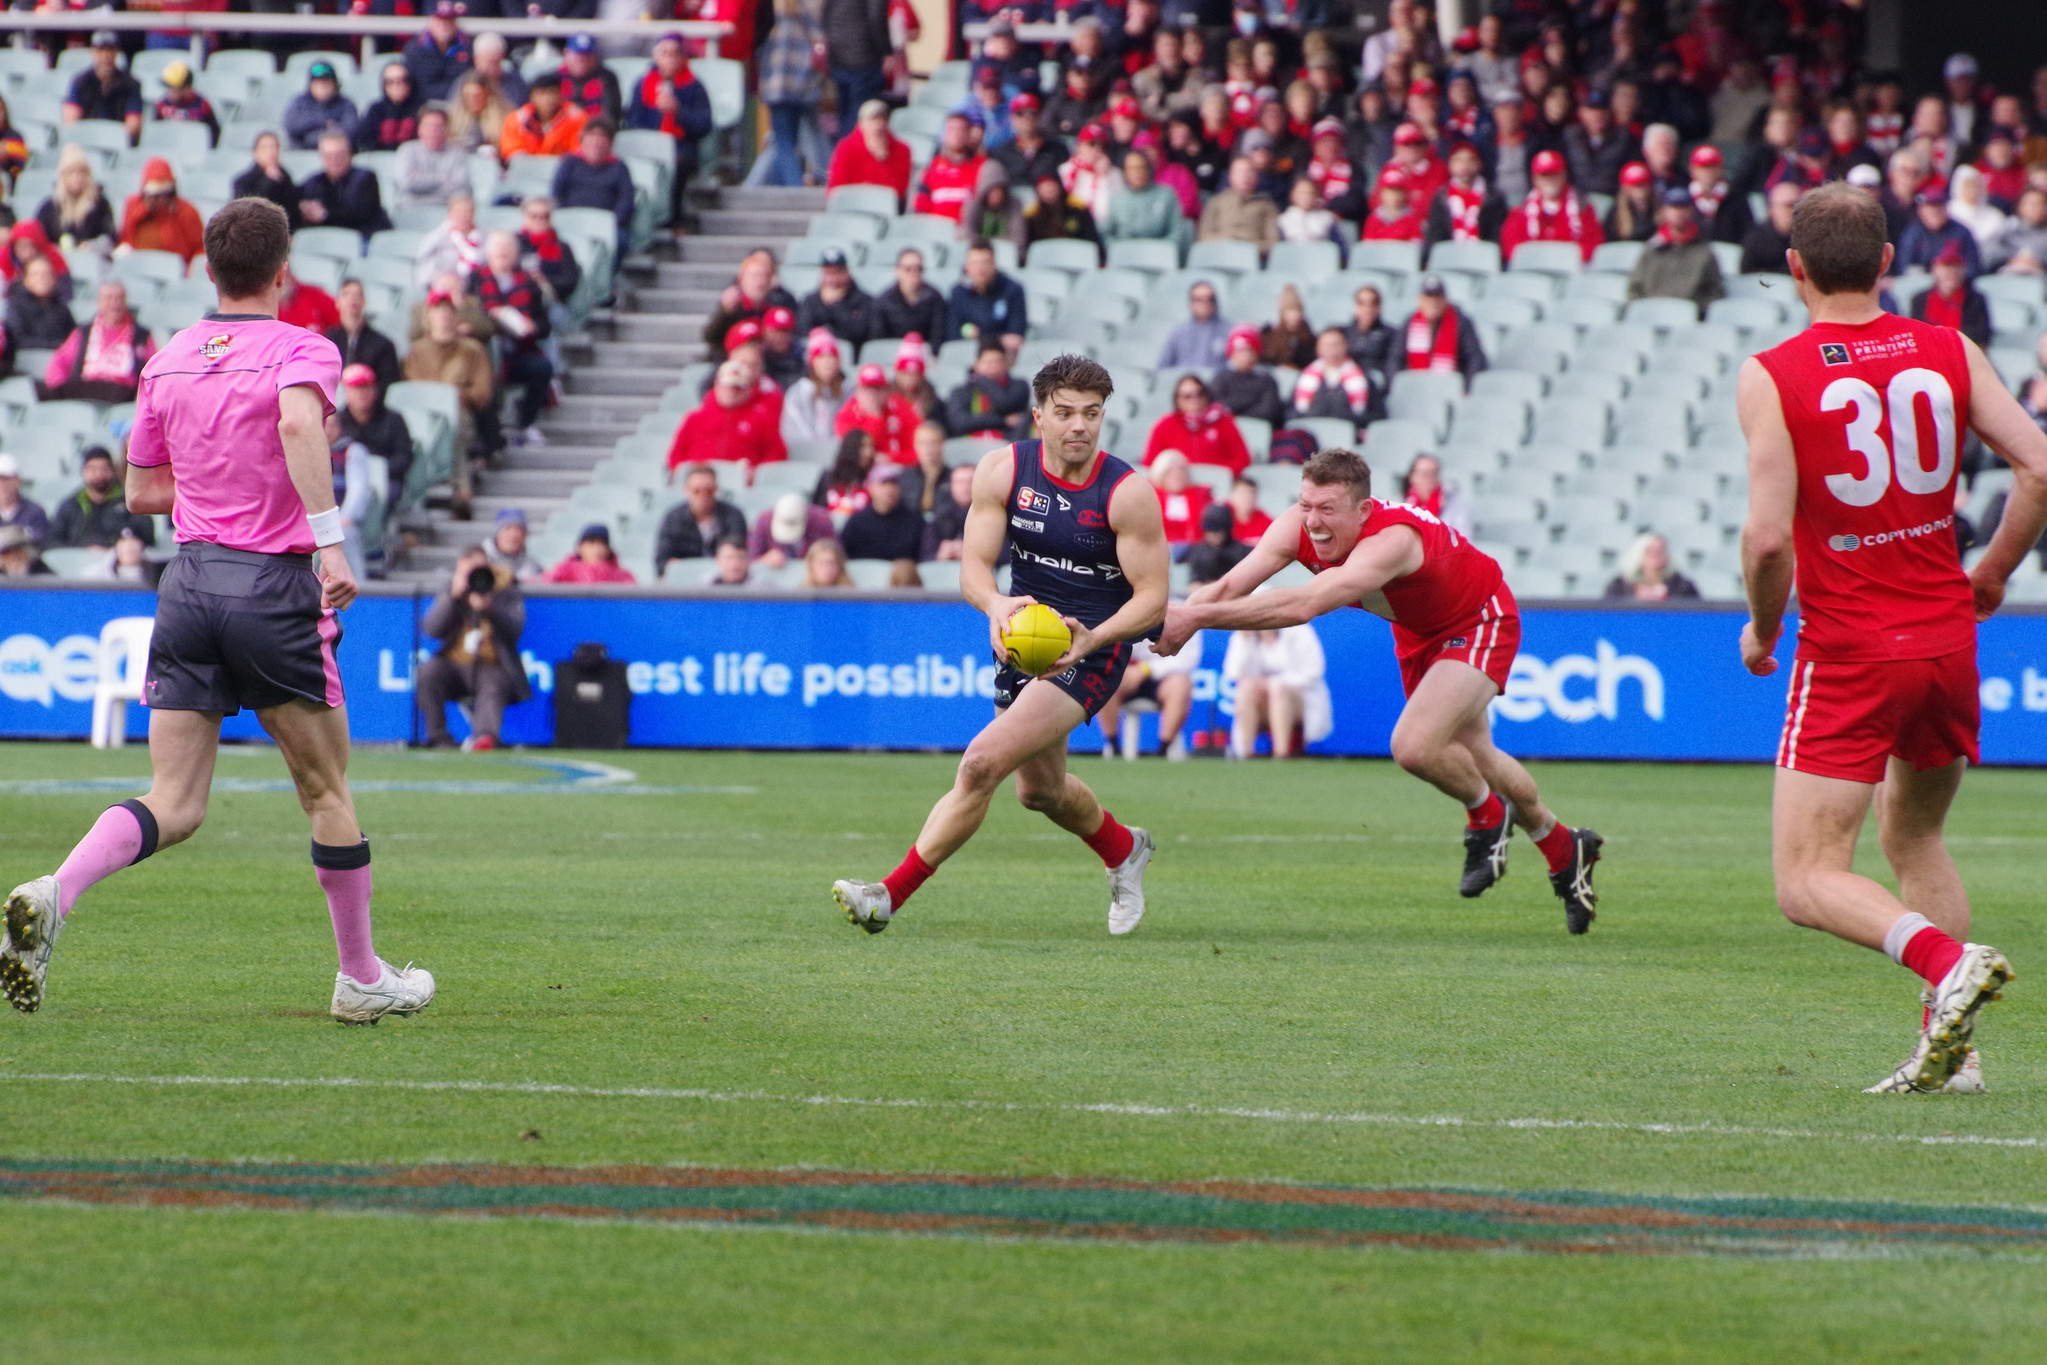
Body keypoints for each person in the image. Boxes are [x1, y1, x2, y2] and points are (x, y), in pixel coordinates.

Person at [1, 197, 434, 1021]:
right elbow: (301, 423)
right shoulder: (302, 347)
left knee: (176, 799)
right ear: (283, 271)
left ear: (206, 270)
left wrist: (218, 483)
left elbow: (137, 492)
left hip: (189, 582)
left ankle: (56, 889)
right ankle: (361, 976)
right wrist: (331, 541)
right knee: (326, 789)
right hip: (270, 585)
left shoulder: (166, 358)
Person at [1737, 182, 2047, 1093]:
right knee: (1912, 840)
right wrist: (1990, 571)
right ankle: (1956, 1058)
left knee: (1804, 880)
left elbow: (1763, 537)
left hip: (1851, 650)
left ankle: (1945, 964)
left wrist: (1760, 631)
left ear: (1792, 269)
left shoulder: (1774, 370)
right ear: (1885, 261)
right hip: (1946, 639)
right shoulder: (1947, 347)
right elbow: (2035, 465)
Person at [1159, 447, 1602, 929]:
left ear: (1363, 509)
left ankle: (1487, 816)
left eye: (1327, 509)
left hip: (1479, 619)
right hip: (1418, 632)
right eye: (1306, 505)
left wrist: (1195, 616)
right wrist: (1162, 620)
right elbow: (1223, 590)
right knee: (1477, 755)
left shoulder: (1391, 540)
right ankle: (1564, 848)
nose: (1312, 521)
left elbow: (1305, 605)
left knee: (1414, 746)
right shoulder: (1296, 524)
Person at [832, 355, 1168, 937]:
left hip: (1093, 644)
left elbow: (1154, 600)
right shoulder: (1002, 470)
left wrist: (1097, 636)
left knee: (981, 763)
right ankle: (1123, 847)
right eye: (1065, 413)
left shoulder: (1127, 493)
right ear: (1039, 415)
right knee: (1039, 792)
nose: (1079, 426)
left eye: (1092, 414)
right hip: (1022, 638)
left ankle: (888, 895)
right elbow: (973, 569)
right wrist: (995, 606)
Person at [417, 548, 528, 748]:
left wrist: (491, 609)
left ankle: (485, 738)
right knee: (428, 673)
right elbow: (431, 629)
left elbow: (515, 631)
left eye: (476, 570)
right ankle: (438, 737)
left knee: (493, 682)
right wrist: (453, 597)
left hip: (491, 662)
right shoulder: (453, 589)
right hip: (453, 661)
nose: (472, 577)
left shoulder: (505, 588)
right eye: (466, 572)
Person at [404, 289, 496, 516]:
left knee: (456, 425)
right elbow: (409, 390)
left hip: (460, 413)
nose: (443, 314)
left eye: (448, 309)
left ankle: (461, 492)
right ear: (428, 317)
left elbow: (483, 393)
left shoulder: (473, 350)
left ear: (457, 316)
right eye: (437, 309)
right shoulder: (416, 351)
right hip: (422, 415)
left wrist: (456, 395)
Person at [473, 231, 553, 448]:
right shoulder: (475, 280)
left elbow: (545, 325)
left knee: (542, 367)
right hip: (484, 355)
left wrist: (533, 327)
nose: (503, 251)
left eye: (508, 246)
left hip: (518, 352)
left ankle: (526, 423)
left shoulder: (528, 283)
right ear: (488, 253)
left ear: (517, 253)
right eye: (498, 246)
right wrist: (495, 317)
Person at [627, 33, 715, 217]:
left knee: (678, 163)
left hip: (681, 147)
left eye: (675, 53)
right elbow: (633, 121)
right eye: (665, 53)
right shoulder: (643, 84)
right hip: (648, 145)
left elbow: (704, 125)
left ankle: (674, 217)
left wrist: (678, 112)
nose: (670, 58)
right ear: (656, 57)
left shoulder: (694, 86)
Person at [1223, 625, 1331, 759]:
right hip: (1262, 703)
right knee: (1246, 688)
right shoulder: (1243, 635)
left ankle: (1281, 753)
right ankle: (1246, 753)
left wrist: (1272, 683)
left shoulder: (1299, 630)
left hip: (1299, 701)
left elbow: (1314, 671)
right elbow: (1234, 673)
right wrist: (1246, 642)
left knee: (1278, 689)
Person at [43, 281, 154, 404]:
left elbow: (154, 369)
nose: (114, 303)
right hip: (85, 389)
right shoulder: (83, 332)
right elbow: (60, 361)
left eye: (119, 298)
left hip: (122, 392)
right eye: (108, 298)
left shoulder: (142, 336)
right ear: (99, 302)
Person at [668, 361, 789, 472]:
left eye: (738, 387)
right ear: (717, 385)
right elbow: (676, 454)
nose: (732, 391)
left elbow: (777, 452)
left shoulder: (762, 419)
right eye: (728, 386)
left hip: (741, 483)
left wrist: (756, 472)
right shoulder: (694, 418)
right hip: (700, 482)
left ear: (748, 389)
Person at [1097, 634, 1199, 760]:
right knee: (1104, 678)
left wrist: (1145, 669)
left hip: (1165, 678)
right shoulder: (1125, 613)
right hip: (1127, 673)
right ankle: (1113, 747)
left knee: (1182, 685)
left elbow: (1187, 659)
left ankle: (1162, 751)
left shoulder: (1185, 615)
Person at [1627, 189, 1726, 316]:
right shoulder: (1651, 250)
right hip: (1650, 317)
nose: (1679, 213)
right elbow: (1635, 289)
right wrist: (1645, 310)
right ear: (1664, 211)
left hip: (1689, 320)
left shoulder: (1704, 252)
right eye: (1674, 207)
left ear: (1692, 211)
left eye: (1684, 207)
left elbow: (1715, 292)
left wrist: (1693, 309)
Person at [1499, 150, 1605, 263]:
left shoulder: (1582, 206)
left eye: (1554, 175)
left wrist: (1559, 258)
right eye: (1544, 176)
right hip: (1533, 269)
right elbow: (1511, 246)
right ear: (1535, 179)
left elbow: (1594, 244)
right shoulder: (1521, 208)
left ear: (1564, 175)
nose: (1550, 180)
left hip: (1571, 269)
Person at [551, 120, 636, 261]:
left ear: (610, 143)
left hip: (605, 224)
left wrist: (610, 222)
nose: (596, 141)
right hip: (571, 222)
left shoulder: (620, 167)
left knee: (620, 242)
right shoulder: (569, 162)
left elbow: (626, 202)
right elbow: (556, 193)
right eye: (592, 135)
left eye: (602, 136)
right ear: (582, 140)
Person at [655, 463, 748, 578]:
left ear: (716, 489)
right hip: (685, 584)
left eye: (709, 491)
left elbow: (738, 554)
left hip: (724, 582)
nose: (703, 495)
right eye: (696, 491)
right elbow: (662, 562)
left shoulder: (733, 516)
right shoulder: (673, 518)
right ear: (686, 490)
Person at [336, 363, 414, 496]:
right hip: (347, 478)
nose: (362, 394)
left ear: (375, 390)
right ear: (346, 392)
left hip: (386, 479)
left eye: (366, 387)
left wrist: (378, 470)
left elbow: (404, 456)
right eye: (356, 388)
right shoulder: (337, 421)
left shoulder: (393, 419)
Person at [1147, 374, 1250, 475]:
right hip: (1177, 486)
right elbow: (1151, 462)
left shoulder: (1224, 421)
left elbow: (1242, 459)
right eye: (1188, 396)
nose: (1194, 400)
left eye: (1199, 394)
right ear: (1178, 400)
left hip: (1216, 485)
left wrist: (1216, 473)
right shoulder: (1166, 425)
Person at [705, 248, 798, 356]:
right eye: (754, 276)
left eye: (764, 277)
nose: (760, 282)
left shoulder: (774, 307)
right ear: (742, 280)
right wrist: (725, 312)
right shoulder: (734, 305)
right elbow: (710, 337)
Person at [50, 447, 146, 551]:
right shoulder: (70, 506)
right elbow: (53, 541)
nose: (98, 474)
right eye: (92, 469)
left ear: (113, 471)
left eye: (104, 469)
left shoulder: (130, 504)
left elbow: (146, 536)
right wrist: (83, 550)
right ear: (83, 472)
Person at [299, 133, 392, 238]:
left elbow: (357, 213)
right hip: (330, 239)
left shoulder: (365, 178)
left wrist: (325, 215)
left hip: (364, 237)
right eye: (329, 156)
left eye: (340, 154)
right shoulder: (314, 181)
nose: (335, 160)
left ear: (350, 154)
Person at [826, 99, 914, 209]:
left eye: (883, 119)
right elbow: (835, 189)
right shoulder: (845, 148)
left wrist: (883, 160)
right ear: (861, 123)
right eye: (873, 120)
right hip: (852, 207)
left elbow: (899, 190)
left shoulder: (902, 150)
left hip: (887, 208)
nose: (878, 125)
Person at [947, 240, 1027, 356]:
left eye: (986, 262)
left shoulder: (1013, 290)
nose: (980, 268)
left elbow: (1015, 338)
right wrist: (998, 338)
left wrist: (979, 335)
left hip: (1003, 357)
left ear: (994, 264)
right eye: (975, 263)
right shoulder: (958, 293)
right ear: (967, 267)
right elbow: (953, 336)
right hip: (966, 355)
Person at [1401, 275, 1485, 384]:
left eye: (1437, 298)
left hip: (1452, 388)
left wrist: (1466, 388)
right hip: (1417, 388)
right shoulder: (1410, 322)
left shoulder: (1462, 323)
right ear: (1420, 300)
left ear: (1445, 299)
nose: (1433, 303)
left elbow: (1475, 358)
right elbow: (1396, 358)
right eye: (1429, 298)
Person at [117, 160, 205, 262]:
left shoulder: (187, 211)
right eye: (154, 195)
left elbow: (200, 250)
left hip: (176, 269)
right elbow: (126, 240)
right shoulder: (132, 205)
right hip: (138, 264)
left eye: (164, 193)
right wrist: (144, 210)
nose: (160, 199)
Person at [62, 32, 143, 143]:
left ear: (116, 52)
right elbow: (71, 122)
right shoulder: (80, 82)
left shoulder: (131, 84)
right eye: (100, 50)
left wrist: (106, 138)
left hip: (117, 144)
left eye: (110, 50)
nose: (105, 56)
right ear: (93, 52)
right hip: (86, 142)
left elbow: (133, 126)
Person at [325, 280, 400, 398]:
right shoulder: (328, 340)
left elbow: (387, 386)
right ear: (337, 302)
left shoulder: (382, 345)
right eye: (346, 294)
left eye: (357, 294)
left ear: (364, 302)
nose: (352, 299)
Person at [1911, 242, 1992, 348]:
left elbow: (1982, 337)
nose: (1952, 272)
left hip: (1965, 355)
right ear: (1935, 269)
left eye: (1956, 266)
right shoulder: (1920, 300)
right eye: (1946, 266)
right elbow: (1916, 337)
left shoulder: (1976, 300)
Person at [945, 340, 1031, 440]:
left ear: (1006, 364)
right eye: (988, 362)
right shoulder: (961, 392)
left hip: (1006, 445)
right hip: (970, 447)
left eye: (998, 362)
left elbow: (1003, 404)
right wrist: (1002, 421)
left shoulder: (1019, 386)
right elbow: (959, 423)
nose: (993, 367)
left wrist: (984, 382)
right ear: (977, 364)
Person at [836, 362, 919, 464]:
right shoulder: (847, 415)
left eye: (877, 389)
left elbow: (919, 452)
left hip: (900, 470)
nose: (872, 395)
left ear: (886, 391)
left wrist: (892, 459)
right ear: (858, 392)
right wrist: (874, 417)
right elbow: (851, 457)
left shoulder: (902, 409)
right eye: (867, 389)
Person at [38, 146, 117, 253]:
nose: (77, 177)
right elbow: (39, 239)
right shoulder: (49, 207)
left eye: (82, 172)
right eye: (71, 172)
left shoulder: (100, 204)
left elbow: (110, 239)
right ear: (63, 176)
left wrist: (92, 246)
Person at [1292, 328, 1374, 430]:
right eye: (1327, 345)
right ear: (1318, 349)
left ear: (1346, 346)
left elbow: (1376, 415)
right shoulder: (1304, 378)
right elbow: (1292, 413)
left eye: (1337, 344)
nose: (1333, 349)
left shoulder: (1364, 378)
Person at [839, 464, 924, 563]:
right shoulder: (856, 523)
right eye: (883, 483)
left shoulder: (914, 521)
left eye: (894, 483)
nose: (889, 489)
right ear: (870, 487)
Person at [1198, 156, 1280, 257]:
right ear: (1230, 176)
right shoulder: (1216, 202)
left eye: (1249, 172)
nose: (1245, 176)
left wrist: (1246, 245)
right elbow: (1204, 237)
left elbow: (1273, 243)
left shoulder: (1267, 205)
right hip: (1220, 254)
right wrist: (1227, 240)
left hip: (1253, 258)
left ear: (1256, 176)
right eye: (1240, 172)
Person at [394, 103, 470, 209]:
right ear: (419, 129)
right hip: (411, 208)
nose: (433, 130)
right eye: (428, 126)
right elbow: (407, 183)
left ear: (447, 130)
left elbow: (461, 187)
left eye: (439, 126)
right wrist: (443, 179)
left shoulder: (458, 154)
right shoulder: (407, 150)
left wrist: (421, 182)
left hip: (446, 209)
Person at [795, 248, 873, 349]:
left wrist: (836, 306)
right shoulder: (810, 301)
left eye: (837, 272)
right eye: (828, 273)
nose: (833, 279)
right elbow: (803, 332)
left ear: (847, 272)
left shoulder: (864, 300)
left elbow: (860, 334)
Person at [500, 74, 588, 162]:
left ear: (560, 94)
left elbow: (578, 150)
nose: (547, 99)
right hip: (527, 169)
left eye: (552, 92)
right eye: (541, 94)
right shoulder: (517, 119)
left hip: (563, 169)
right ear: (532, 97)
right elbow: (511, 148)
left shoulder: (577, 117)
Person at [1211, 325, 1287, 425]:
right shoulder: (1220, 379)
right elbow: (1215, 408)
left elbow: (1268, 411)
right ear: (1232, 353)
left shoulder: (1267, 380)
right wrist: (1251, 400)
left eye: (1250, 351)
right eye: (1241, 351)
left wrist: (1235, 412)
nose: (1246, 356)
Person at [1897, 189, 1981, 277]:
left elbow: (1973, 267)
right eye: (1930, 207)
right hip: (1922, 284)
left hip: (1955, 283)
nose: (1935, 211)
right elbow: (1904, 265)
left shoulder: (1961, 232)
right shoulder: (1913, 233)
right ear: (1920, 211)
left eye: (1939, 206)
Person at [4, 257, 76, 361]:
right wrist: (58, 346)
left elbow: (74, 340)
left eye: (47, 274)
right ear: (26, 280)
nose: (42, 278)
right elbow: (18, 340)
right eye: (36, 274)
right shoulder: (16, 307)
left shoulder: (63, 309)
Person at [783, 330, 849, 443]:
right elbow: (795, 430)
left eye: (832, 356)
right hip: (807, 454)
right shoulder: (798, 392)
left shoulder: (849, 390)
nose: (827, 362)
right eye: (821, 357)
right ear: (812, 362)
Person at [871, 248, 947, 345]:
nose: (914, 273)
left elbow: (937, 336)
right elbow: (879, 341)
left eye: (919, 269)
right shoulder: (884, 301)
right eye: (908, 269)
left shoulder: (934, 298)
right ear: (898, 270)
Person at [402, 2, 473, 102]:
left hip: (459, 106)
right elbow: (415, 88)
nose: (444, 25)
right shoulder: (415, 49)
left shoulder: (468, 48)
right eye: (439, 20)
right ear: (430, 21)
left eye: (449, 20)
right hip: (424, 107)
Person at [283, 60, 360, 151]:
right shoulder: (299, 102)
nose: (323, 87)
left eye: (327, 83)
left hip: (336, 155)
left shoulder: (347, 104)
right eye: (318, 83)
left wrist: (312, 135)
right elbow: (292, 126)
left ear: (335, 85)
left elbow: (350, 132)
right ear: (310, 85)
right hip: (304, 152)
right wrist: (323, 122)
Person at [1156, 280, 1230, 371]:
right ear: (1191, 303)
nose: (1205, 303)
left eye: (1210, 299)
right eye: (1199, 299)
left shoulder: (1229, 331)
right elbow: (1163, 367)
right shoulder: (1178, 333)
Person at [415, 192, 483, 289]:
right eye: (459, 212)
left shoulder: (483, 237)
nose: (464, 216)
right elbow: (424, 267)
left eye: (468, 212)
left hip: (475, 287)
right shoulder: (437, 237)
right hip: (443, 287)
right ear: (450, 214)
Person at [750, 492, 837, 567]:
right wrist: (765, 560)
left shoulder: (822, 521)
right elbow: (752, 559)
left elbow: (837, 555)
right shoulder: (763, 521)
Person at [1604, 532, 1698, 601]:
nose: (1655, 555)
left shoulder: (1683, 587)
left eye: (1660, 550)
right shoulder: (1619, 586)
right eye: (1650, 551)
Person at [552, 34, 622, 126]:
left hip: (593, 132)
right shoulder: (554, 78)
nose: (582, 59)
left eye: (587, 54)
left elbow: (610, 115)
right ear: (566, 53)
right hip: (561, 132)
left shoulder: (607, 78)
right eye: (577, 54)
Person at [358, 62, 422, 154]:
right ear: (384, 86)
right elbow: (366, 142)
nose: (396, 86)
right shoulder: (375, 110)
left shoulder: (422, 109)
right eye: (390, 82)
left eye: (402, 80)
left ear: (410, 83)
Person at [1740, 180, 1801, 275]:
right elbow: (1747, 273)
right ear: (1771, 209)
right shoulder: (1757, 238)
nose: (1793, 211)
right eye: (1788, 206)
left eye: (1797, 205)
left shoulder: (1808, 239)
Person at [1400, 453, 1470, 536]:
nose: (1430, 478)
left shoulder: (1454, 503)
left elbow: (1463, 537)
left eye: (1434, 473)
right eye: (1424, 474)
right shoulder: (1401, 503)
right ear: (1412, 476)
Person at [544, 523, 637, 584]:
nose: (597, 549)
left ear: (608, 549)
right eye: (591, 543)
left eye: (602, 544)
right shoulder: (562, 572)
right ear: (580, 547)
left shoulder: (622, 576)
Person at [447, 70, 513, 156]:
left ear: (489, 95)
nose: (472, 100)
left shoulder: (507, 119)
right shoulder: (451, 120)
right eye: (467, 96)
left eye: (477, 95)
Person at [1183, 500, 1248, 584]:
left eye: (1217, 530)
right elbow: (1194, 583)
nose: (1212, 534)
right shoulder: (1198, 551)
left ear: (1227, 530)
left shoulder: (1242, 552)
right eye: (1209, 530)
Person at [151, 62, 219, 142]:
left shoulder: (202, 105)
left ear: (187, 88)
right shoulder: (161, 105)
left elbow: (214, 135)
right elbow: (155, 134)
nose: (169, 92)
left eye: (173, 89)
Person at [0, 454, 50, 547]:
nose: (2, 485)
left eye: (7, 479)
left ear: (17, 481)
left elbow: (40, 541)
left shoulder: (34, 512)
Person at [1606, 161, 1658, 242]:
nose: (1641, 191)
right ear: (1625, 189)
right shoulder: (1615, 214)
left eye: (1644, 184)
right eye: (1636, 186)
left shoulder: (1659, 209)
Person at [487, 508, 543, 581]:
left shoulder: (533, 568)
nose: (513, 535)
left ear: (525, 536)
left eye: (519, 529)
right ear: (497, 534)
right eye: (508, 528)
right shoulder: (482, 561)